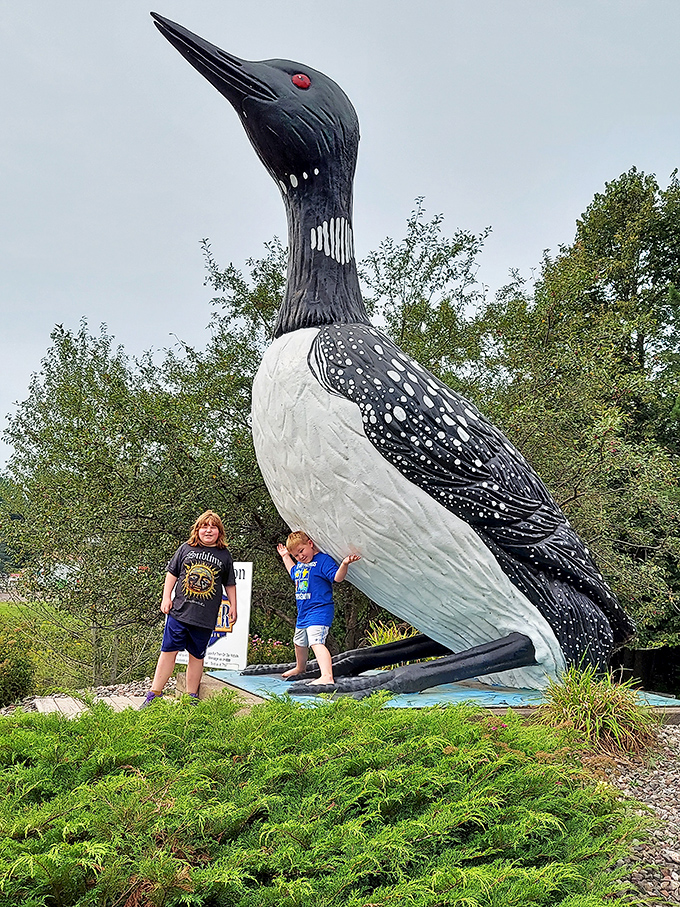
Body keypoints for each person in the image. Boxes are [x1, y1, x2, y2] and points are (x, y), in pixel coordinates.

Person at [141, 510, 237, 707]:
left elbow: (230, 584)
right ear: (197, 529)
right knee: (168, 651)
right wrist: (166, 597)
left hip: (205, 616)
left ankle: (191, 698)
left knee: (197, 655)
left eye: (213, 527)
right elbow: (172, 573)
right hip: (179, 612)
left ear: (220, 532)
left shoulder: (224, 555)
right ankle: (154, 695)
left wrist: (234, 606)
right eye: (204, 526)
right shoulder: (186, 548)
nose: (208, 530)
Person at [277, 531, 360, 685]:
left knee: (316, 642)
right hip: (304, 613)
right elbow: (293, 572)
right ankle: (300, 667)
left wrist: (344, 564)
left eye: (301, 551)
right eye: (296, 555)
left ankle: (327, 676)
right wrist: (285, 556)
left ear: (310, 543)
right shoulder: (300, 565)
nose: (300, 557)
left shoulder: (322, 560)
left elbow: (337, 578)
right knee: (299, 642)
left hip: (320, 610)